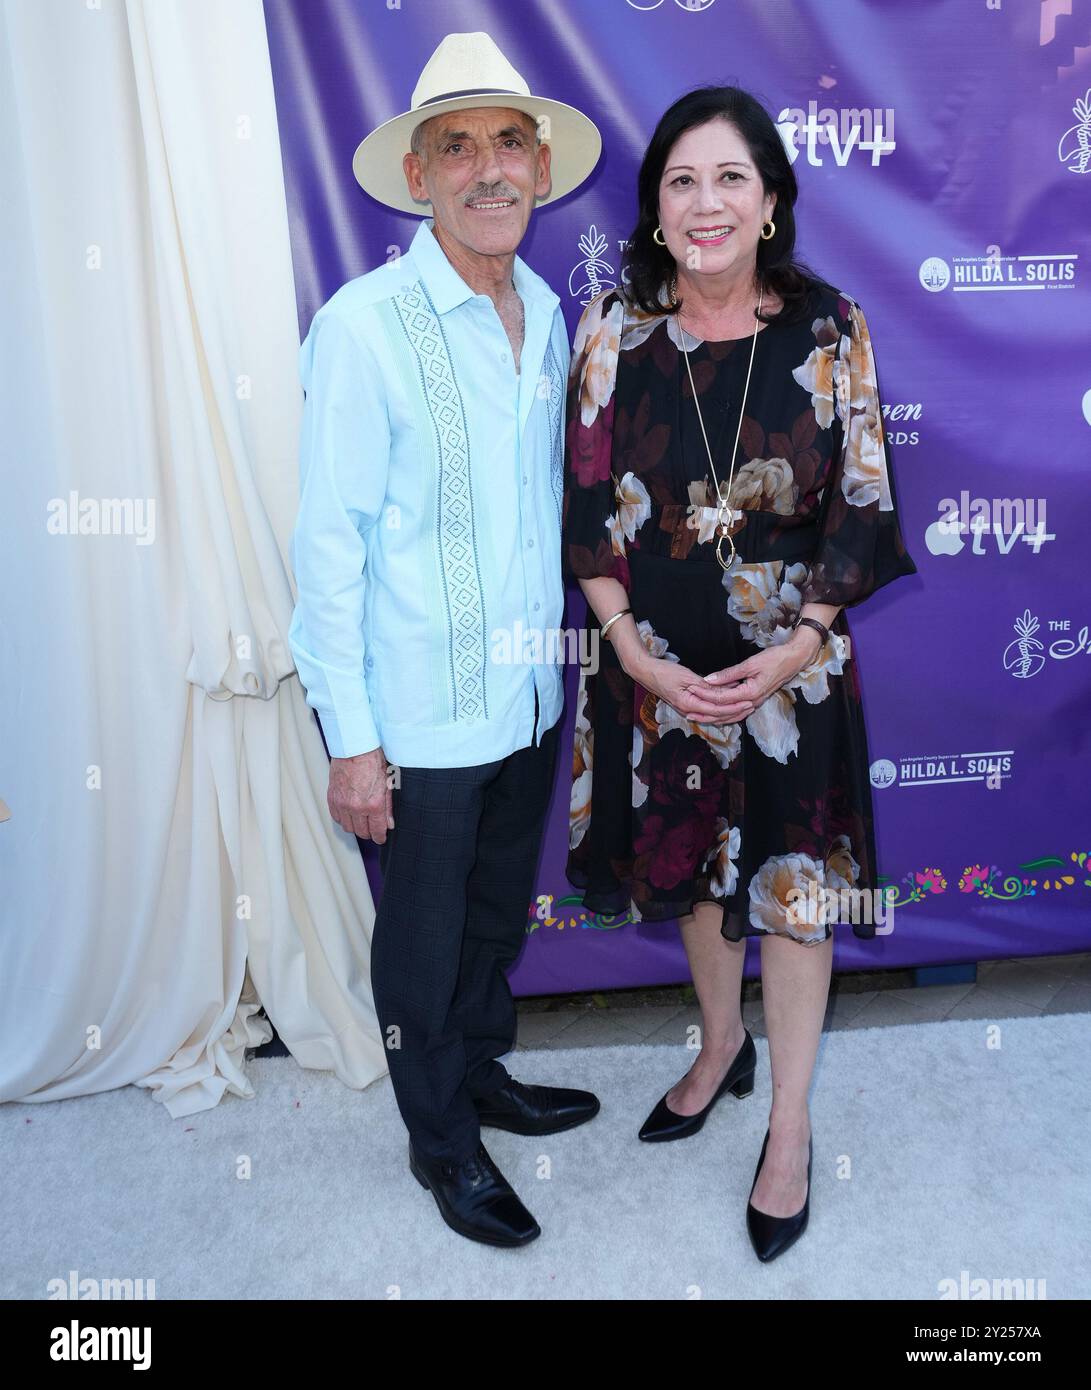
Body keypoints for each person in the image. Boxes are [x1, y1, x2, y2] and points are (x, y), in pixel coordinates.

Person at [562, 85, 917, 1263]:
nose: (704, 203)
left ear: (769, 201)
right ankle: (719, 1044)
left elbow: (863, 501)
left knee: (792, 894)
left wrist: (804, 635)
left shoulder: (829, 329)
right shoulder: (612, 332)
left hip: (792, 672)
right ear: (655, 212)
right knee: (697, 879)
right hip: (656, 678)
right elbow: (583, 519)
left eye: (728, 179)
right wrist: (628, 651)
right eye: (679, 181)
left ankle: (790, 1126)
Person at [288, 32, 603, 1249]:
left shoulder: (546, 309)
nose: (487, 168)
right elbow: (328, 551)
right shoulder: (362, 328)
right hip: (417, 715)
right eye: (456, 146)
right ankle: (441, 1144)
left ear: (538, 167)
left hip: (525, 698)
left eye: (507, 143)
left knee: (490, 917)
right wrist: (352, 741)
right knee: (419, 947)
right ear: (417, 176)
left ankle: (479, 1074)